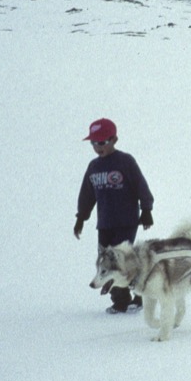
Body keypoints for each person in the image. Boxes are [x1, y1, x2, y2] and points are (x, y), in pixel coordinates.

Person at [74, 118, 154, 313]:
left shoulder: (125, 161)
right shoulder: (94, 167)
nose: (97, 147)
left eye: (102, 142)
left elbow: (140, 186)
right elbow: (87, 194)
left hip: (126, 221)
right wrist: (81, 218)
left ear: (114, 139)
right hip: (105, 223)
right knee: (106, 262)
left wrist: (146, 210)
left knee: (122, 260)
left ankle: (134, 297)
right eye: (94, 143)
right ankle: (120, 298)